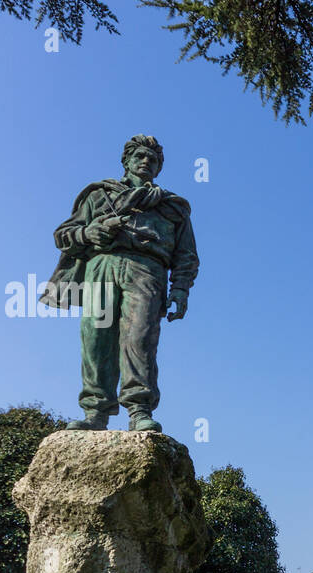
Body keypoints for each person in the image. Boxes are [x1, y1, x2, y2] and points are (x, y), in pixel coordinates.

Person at [44, 135, 199, 434]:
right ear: (126, 161)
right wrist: (90, 233)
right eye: (139, 156)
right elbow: (63, 234)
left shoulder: (173, 207)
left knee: (140, 339)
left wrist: (180, 289)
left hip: (148, 269)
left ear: (159, 168)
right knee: (95, 339)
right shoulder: (98, 196)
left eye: (152, 160)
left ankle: (139, 409)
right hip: (101, 267)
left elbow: (186, 255)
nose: (145, 162)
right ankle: (95, 412)